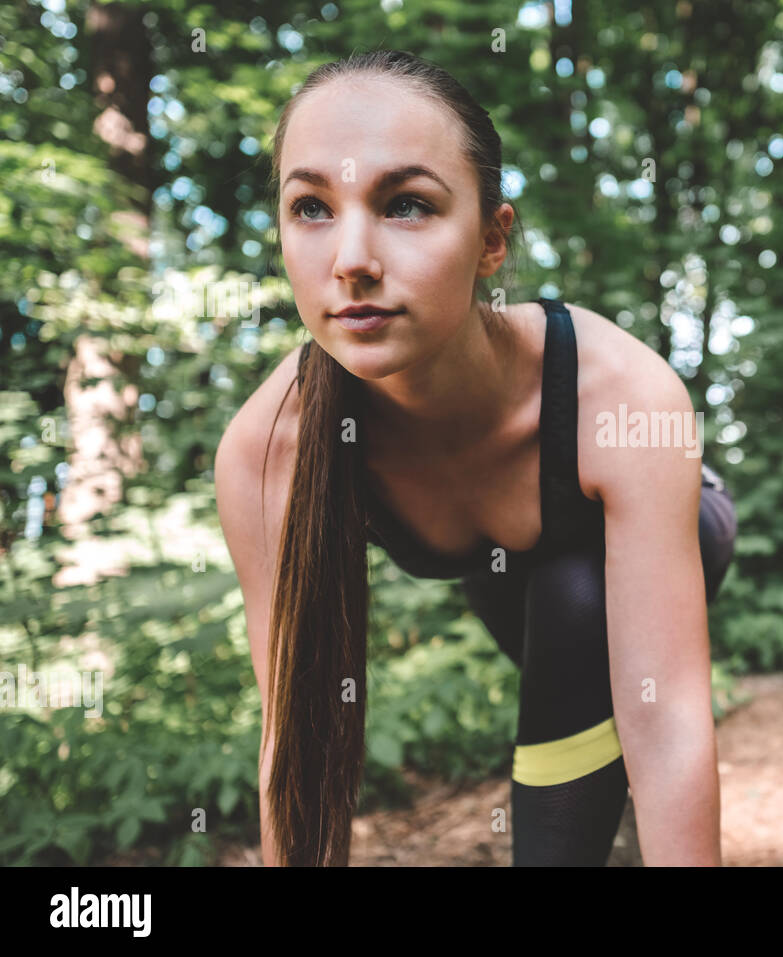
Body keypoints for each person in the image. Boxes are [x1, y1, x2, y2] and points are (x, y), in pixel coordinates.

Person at [214, 50, 737, 867]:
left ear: (494, 240)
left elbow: (668, 719)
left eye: (408, 204)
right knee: (576, 676)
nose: (351, 256)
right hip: (503, 575)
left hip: (682, 521)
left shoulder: (622, 393)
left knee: (573, 603)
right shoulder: (265, 452)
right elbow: (298, 734)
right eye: (311, 206)